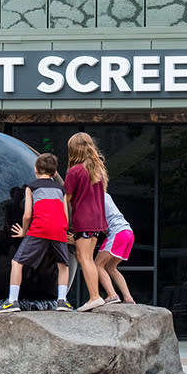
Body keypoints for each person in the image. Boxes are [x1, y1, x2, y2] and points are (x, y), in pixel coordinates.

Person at [0, 153, 73, 313]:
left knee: (17, 262)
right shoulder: (61, 189)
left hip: (39, 229)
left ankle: (12, 301)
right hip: (59, 229)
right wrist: (64, 231)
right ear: (55, 173)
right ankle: (62, 301)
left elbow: (28, 214)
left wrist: (24, 231)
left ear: (35, 170)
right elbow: (65, 215)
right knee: (63, 265)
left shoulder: (31, 187)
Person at [63, 132, 109, 312]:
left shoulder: (75, 171)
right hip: (97, 220)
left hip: (83, 219)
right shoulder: (98, 170)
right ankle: (95, 296)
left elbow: (66, 198)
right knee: (88, 257)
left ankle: (94, 297)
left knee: (84, 258)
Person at [96, 193, 135, 305]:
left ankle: (112, 295)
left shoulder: (94, 198)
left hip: (117, 232)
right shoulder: (106, 195)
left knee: (97, 265)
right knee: (111, 267)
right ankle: (128, 298)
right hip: (128, 232)